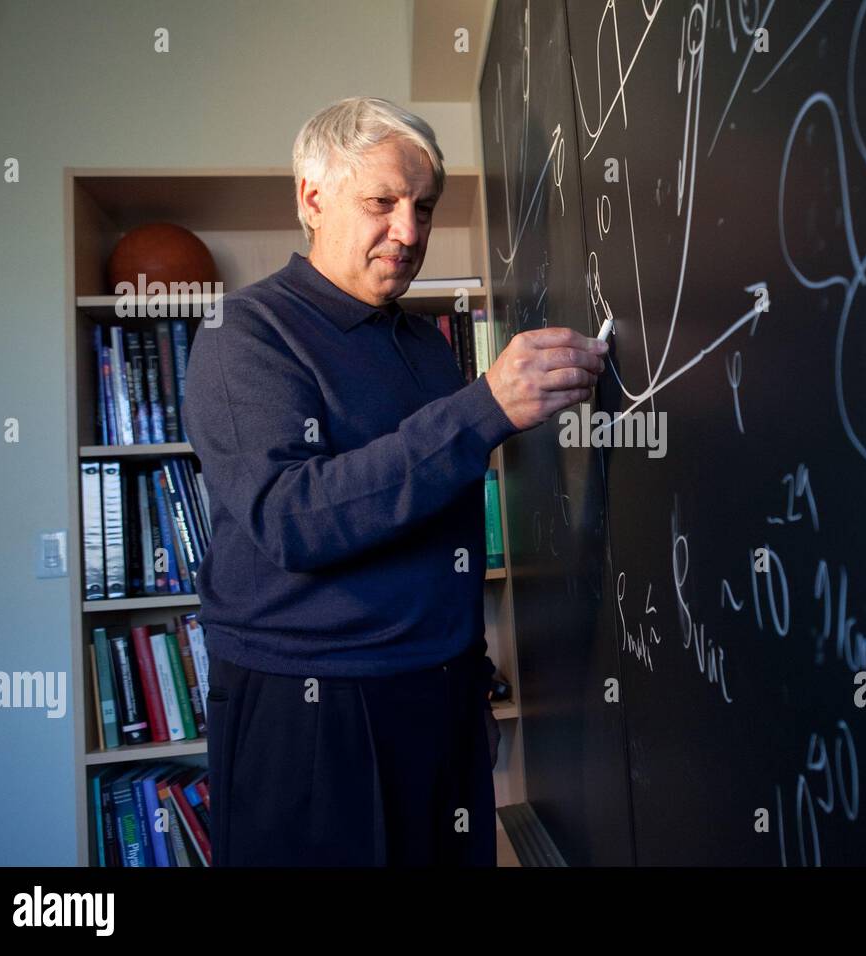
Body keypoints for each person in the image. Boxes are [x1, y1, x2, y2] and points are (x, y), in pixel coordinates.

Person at [181, 95, 607, 865]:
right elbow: (291, 519)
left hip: (439, 693)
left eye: (424, 206)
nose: (408, 233)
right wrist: (482, 411)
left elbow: (430, 511)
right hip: (314, 711)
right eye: (382, 202)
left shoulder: (425, 345)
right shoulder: (243, 334)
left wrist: (465, 674)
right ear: (312, 197)